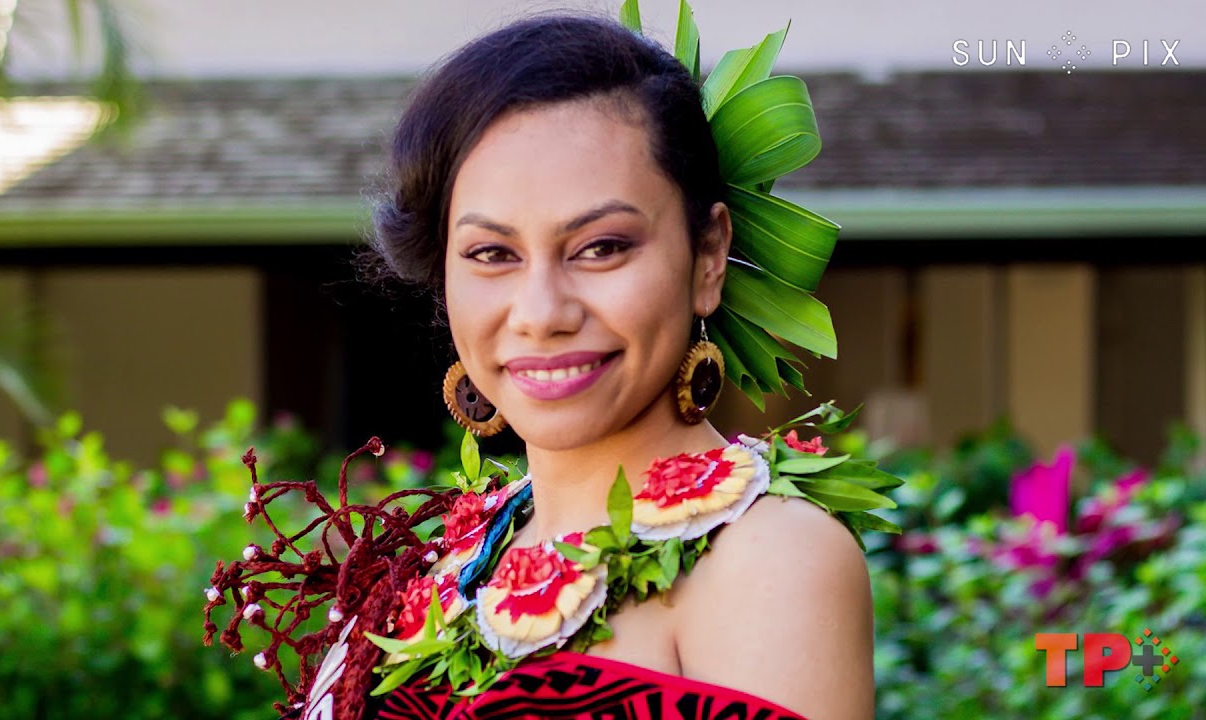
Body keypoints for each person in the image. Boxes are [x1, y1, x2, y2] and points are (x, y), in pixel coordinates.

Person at [204, 6, 900, 720]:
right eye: (492, 254)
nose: (541, 311)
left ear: (708, 256)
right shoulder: (438, 564)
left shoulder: (770, 559)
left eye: (601, 247)